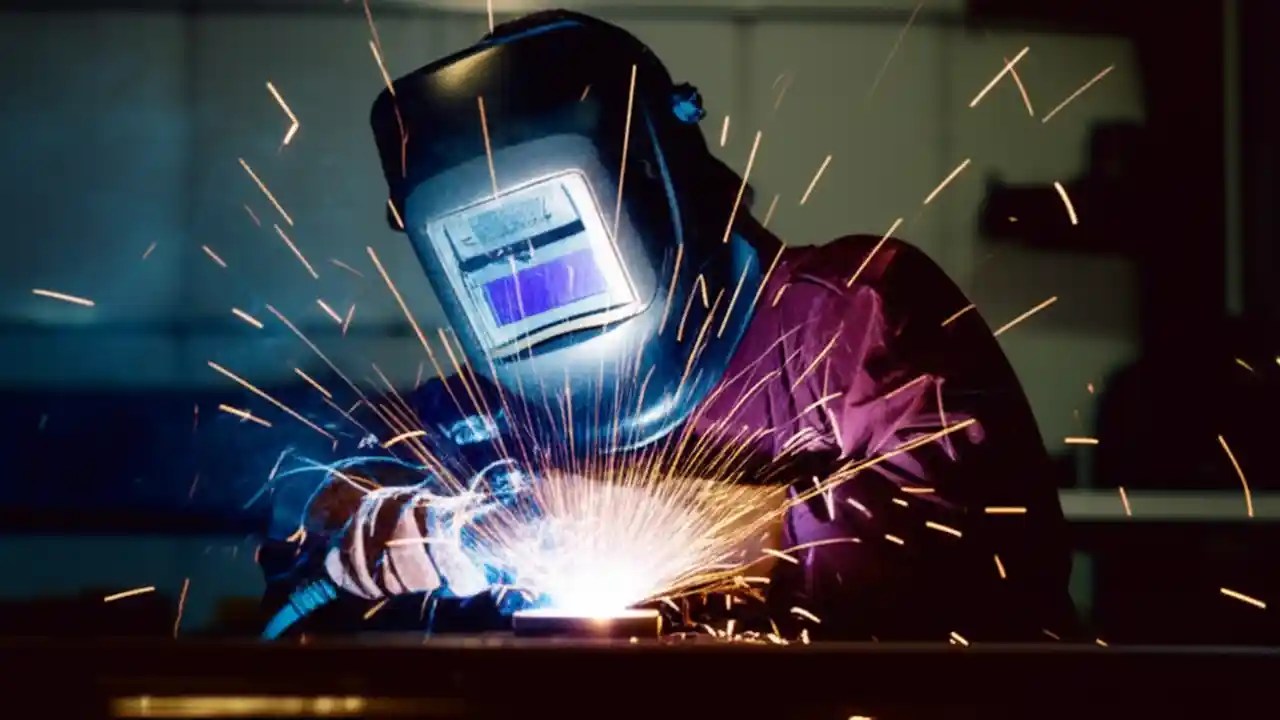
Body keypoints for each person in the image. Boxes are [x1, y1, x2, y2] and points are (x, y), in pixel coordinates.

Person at [258, 10, 1077, 642]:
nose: (537, 293)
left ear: (652, 181)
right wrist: (369, 517)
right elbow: (316, 502)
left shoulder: (856, 316)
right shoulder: (498, 406)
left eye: (555, 243)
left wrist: (701, 528)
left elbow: (982, 554)